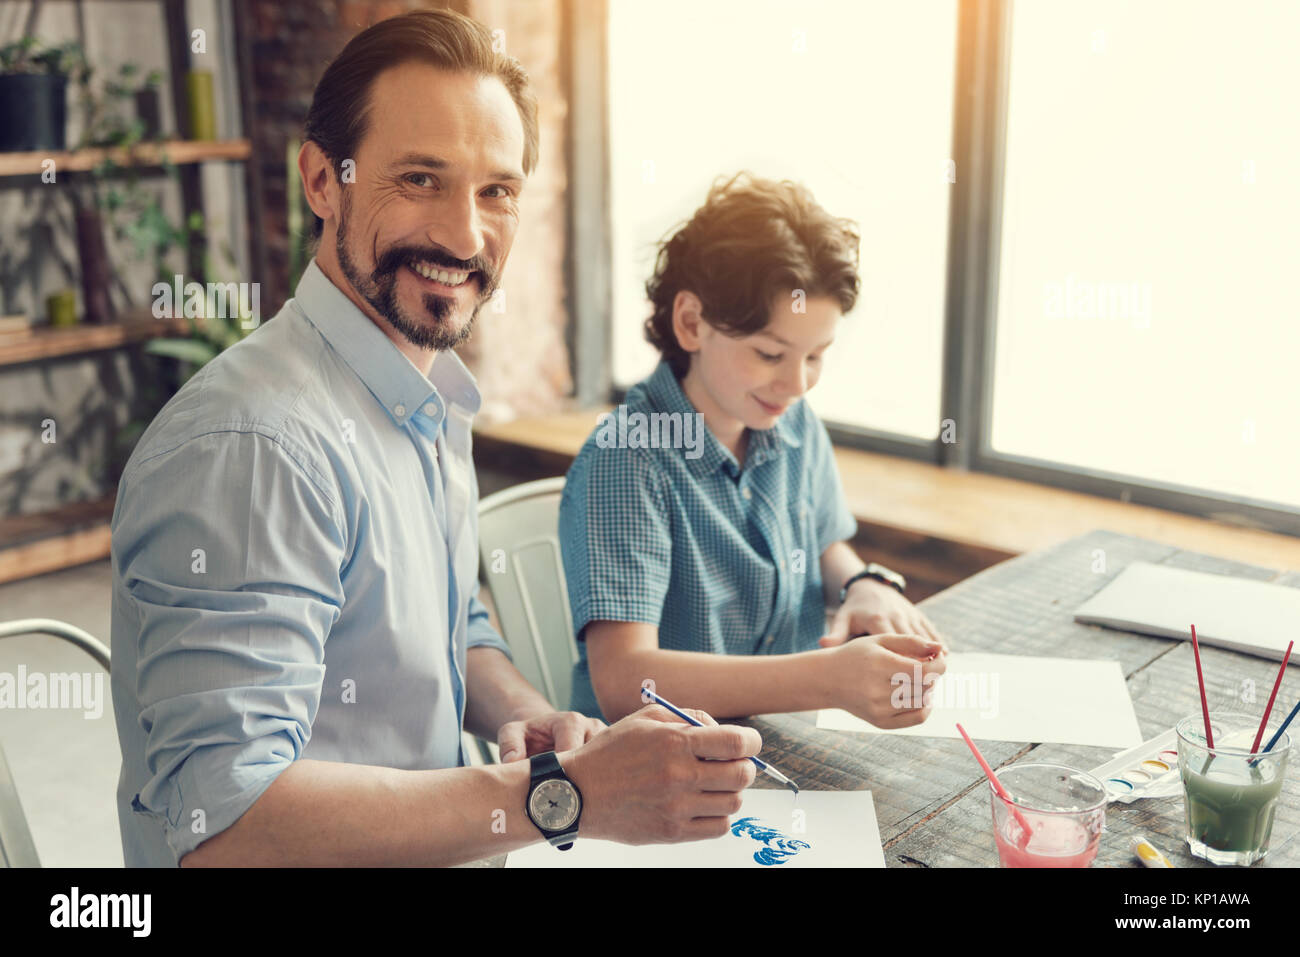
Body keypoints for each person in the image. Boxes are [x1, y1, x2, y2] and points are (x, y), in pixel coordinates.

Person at [109, 9, 759, 868]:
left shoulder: (424, 389)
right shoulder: (252, 447)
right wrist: (566, 795)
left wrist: (520, 712)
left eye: (496, 191)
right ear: (320, 181)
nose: (463, 234)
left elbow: (444, 618)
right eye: (420, 178)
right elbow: (226, 830)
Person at [559, 173, 948, 724]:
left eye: (816, 355)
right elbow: (625, 681)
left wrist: (864, 584)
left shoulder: (790, 420)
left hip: (779, 744)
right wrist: (829, 680)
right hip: (661, 769)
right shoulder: (626, 459)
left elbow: (822, 546)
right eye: (770, 353)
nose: (798, 384)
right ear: (692, 323)